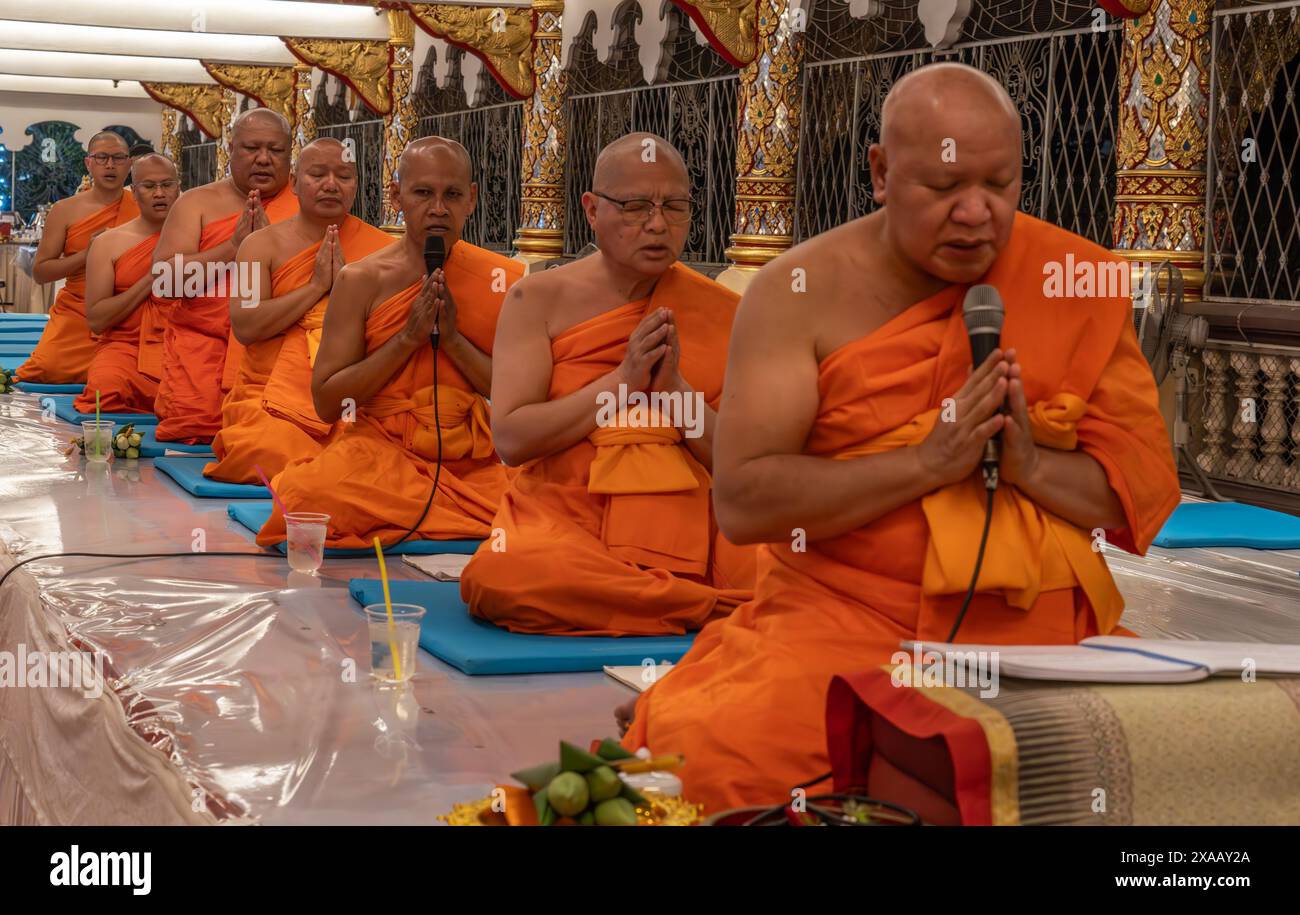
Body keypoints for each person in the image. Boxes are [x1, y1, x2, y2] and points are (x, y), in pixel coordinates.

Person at [620, 63, 1182, 813]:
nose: (977, 214)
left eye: (1000, 185)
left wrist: (1025, 463)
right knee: (713, 762)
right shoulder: (798, 293)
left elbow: (1129, 491)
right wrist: (926, 463)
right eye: (944, 189)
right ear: (881, 172)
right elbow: (748, 502)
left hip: (1032, 633)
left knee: (1171, 762)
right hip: (842, 615)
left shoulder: (1071, 281)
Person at [458, 132, 756, 636]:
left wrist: (673, 391)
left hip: (691, 514)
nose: (658, 224)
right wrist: (621, 383)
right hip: (569, 513)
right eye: (637, 206)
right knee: (503, 575)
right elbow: (511, 439)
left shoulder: (724, 310)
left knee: (797, 560)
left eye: (675, 206)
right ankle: (698, 605)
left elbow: (737, 465)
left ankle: (669, 599)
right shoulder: (537, 299)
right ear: (592, 210)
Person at [256, 137, 522, 549]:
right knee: (308, 498)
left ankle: (440, 514)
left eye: (451, 195)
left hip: (467, 464)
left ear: (471, 199)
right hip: (378, 454)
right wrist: (406, 339)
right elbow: (328, 402)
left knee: (543, 505)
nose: (438, 208)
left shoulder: (501, 278)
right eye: (422, 193)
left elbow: (512, 397)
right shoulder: (361, 279)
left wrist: (450, 340)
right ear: (396, 195)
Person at [204, 138, 393, 484]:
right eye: (317, 174)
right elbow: (245, 325)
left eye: (344, 176)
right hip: (270, 396)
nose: (331, 185)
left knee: (375, 458)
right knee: (268, 451)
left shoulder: (384, 249)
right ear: (293, 182)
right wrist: (316, 287)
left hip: (351, 395)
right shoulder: (257, 246)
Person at [152, 108, 298, 444]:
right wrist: (232, 246)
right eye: (251, 148)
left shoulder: (306, 206)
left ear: (290, 155)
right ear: (231, 150)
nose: (263, 159)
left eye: (275, 151)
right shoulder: (197, 203)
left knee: (275, 434)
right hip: (204, 343)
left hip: (279, 342)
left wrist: (269, 249)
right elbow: (164, 284)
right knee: (197, 428)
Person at [17, 131, 140, 384]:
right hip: (78, 311)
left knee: (130, 378)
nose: (110, 165)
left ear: (129, 165)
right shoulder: (65, 210)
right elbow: (41, 272)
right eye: (102, 157)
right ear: (88, 163)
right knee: (47, 368)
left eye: (118, 158)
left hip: (129, 310)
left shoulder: (143, 208)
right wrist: (89, 254)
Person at [71, 154, 181, 414]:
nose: (159, 193)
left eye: (167, 185)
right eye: (149, 186)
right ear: (133, 191)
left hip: (180, 345)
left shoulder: (201, 237)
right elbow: (97, 319)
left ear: (179, 188)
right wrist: (151, 278)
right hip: (124, 348)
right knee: (106, 391)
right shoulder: (109, 243)